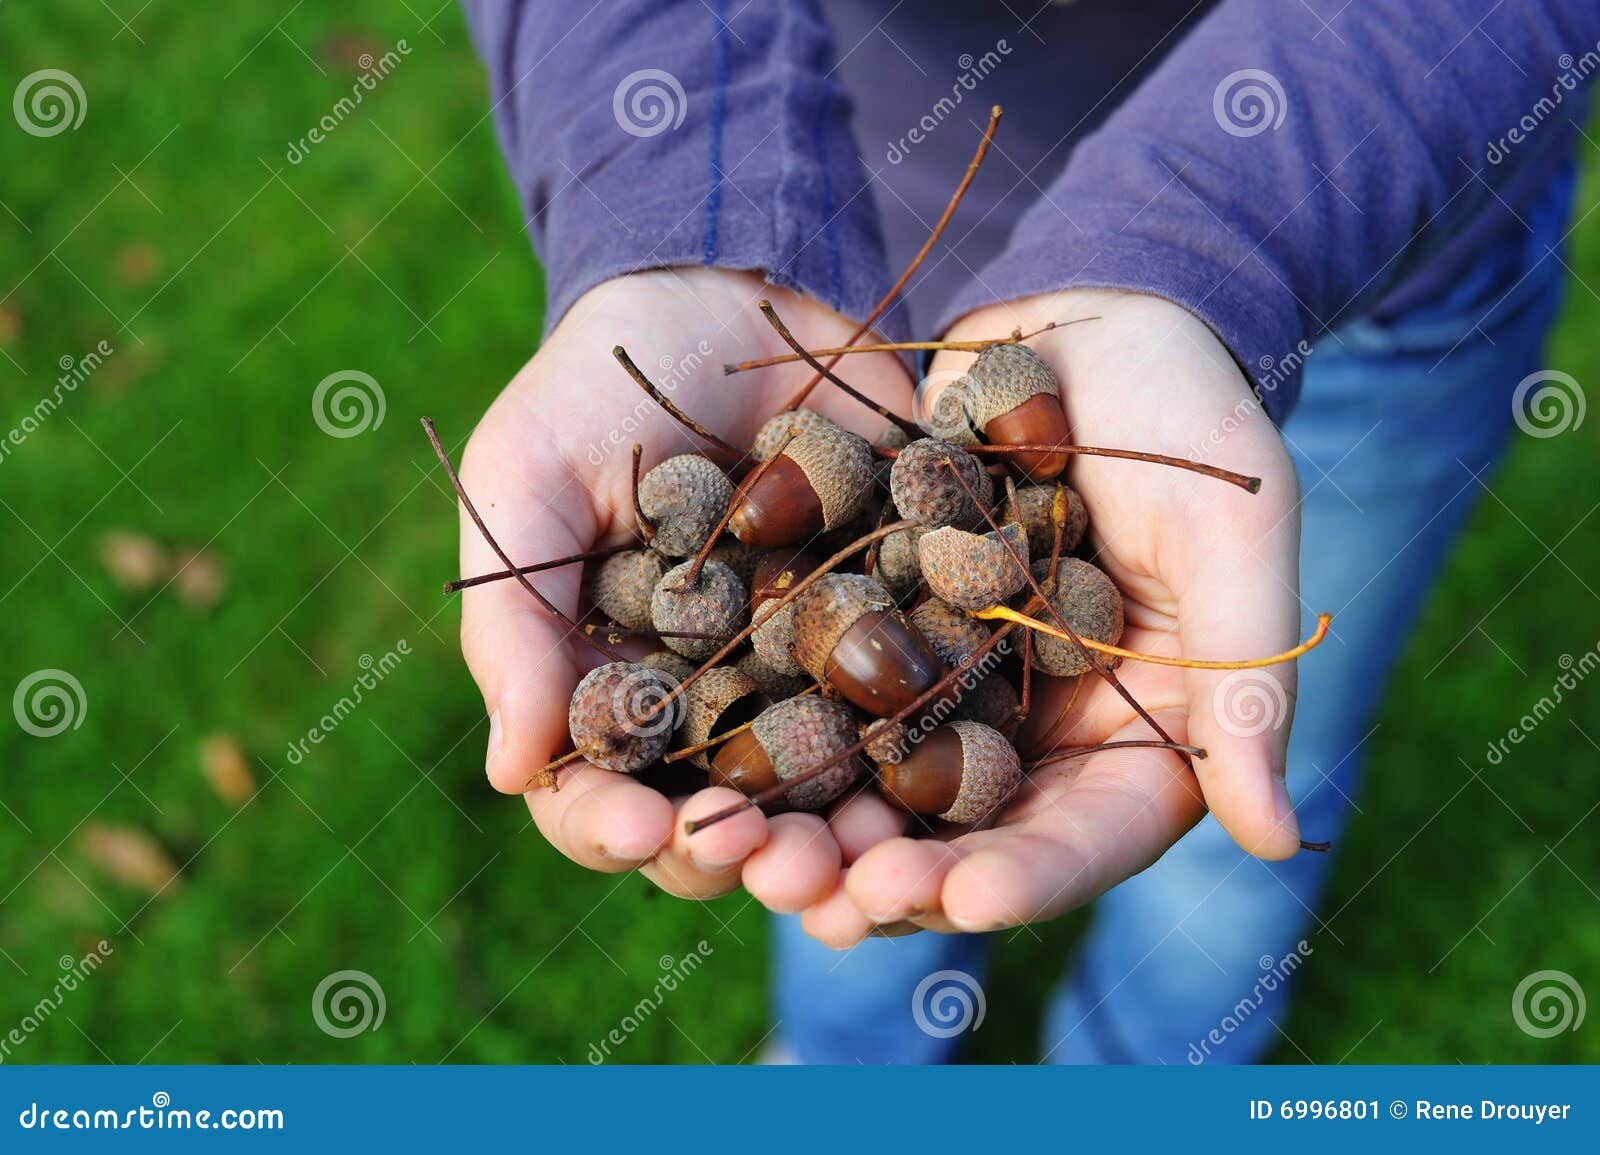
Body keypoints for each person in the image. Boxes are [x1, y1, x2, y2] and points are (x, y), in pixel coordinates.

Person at [455, 1, 1592, 1063]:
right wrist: (693, 218)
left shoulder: (973, 551)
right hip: (889, 239)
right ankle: (848, 1067)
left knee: (1247, 777)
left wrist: (1201, 239)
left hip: (1400, 231)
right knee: (844, 867)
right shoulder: (845, 581)